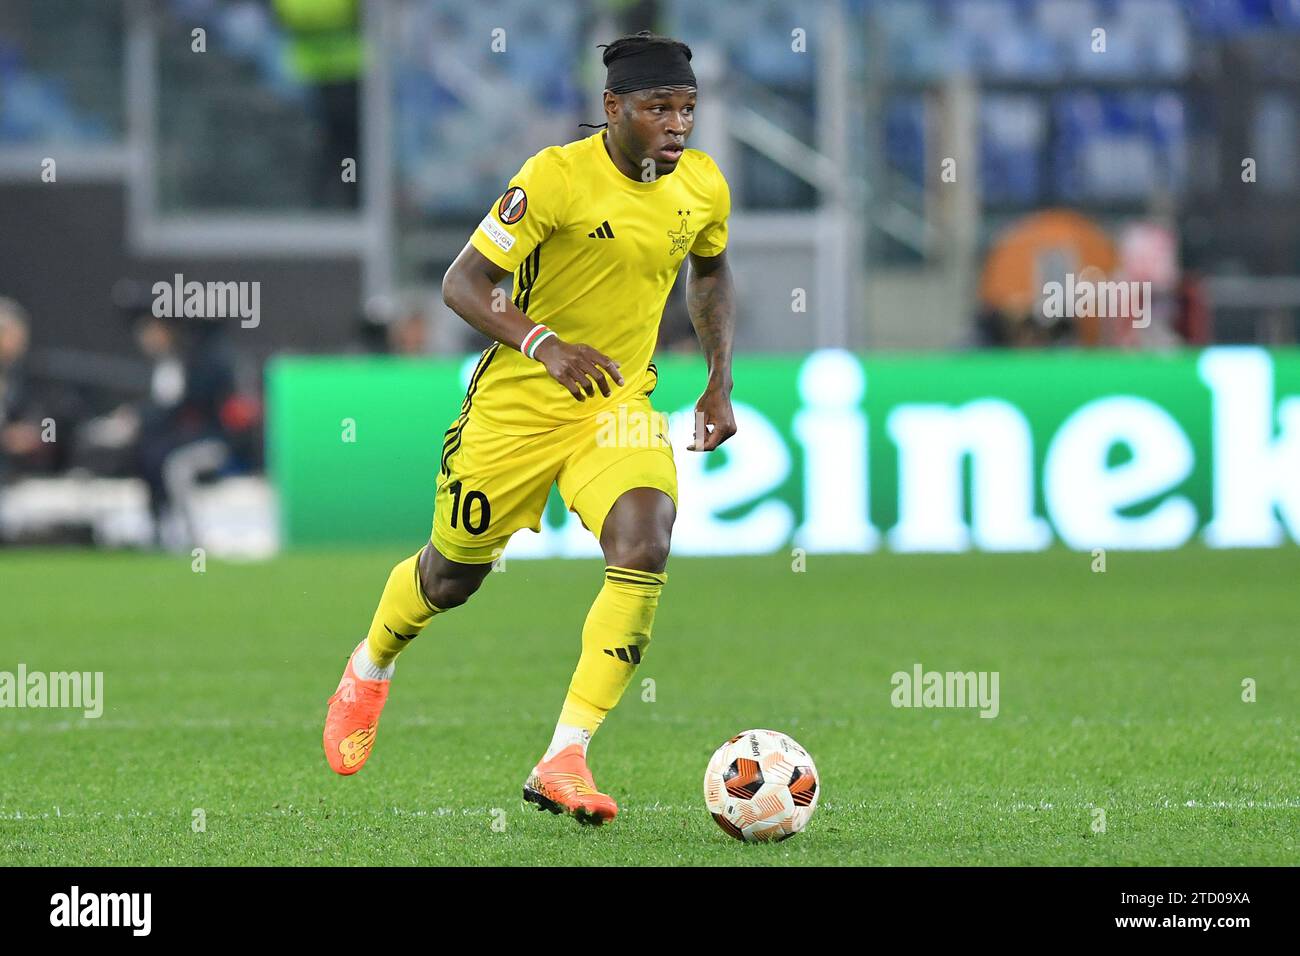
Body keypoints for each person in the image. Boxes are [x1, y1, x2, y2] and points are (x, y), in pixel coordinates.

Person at [323, 32, 737, 826]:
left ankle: (565, 756)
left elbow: (711, 270)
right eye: (659, 108)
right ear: (614, 109)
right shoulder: (555, 178)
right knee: (452, 579)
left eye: (688, 108)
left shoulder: (703, 187)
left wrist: (719, 381)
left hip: (616, 408)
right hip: (518, 405)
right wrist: (544, 343)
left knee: (646, 542)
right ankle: (370, 665)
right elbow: (463, 283)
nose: (678, 125)